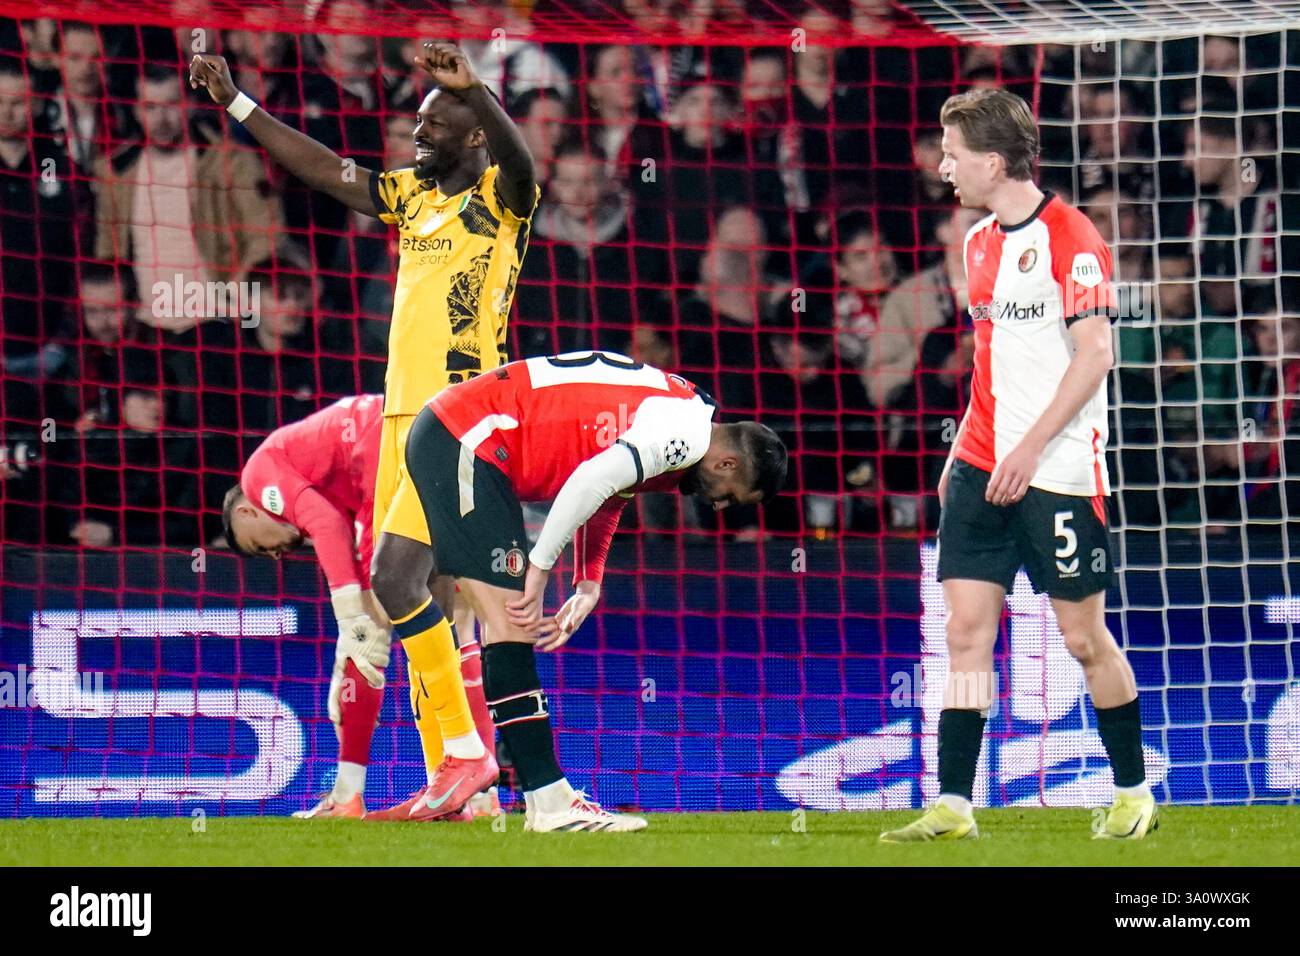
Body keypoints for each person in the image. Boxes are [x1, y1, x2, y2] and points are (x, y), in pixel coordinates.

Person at [190, 39, 538, 820]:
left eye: (432, 122)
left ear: (472, 132)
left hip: (465, 417)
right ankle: (457, 786)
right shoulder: (411, 199)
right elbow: (322, 168)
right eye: (414, 121)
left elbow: (524, 166)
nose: (415, 134)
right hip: (403, 420)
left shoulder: (499, 201)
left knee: (393, 583)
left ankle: (466, 758)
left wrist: (477, 90)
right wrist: (237, 104)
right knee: (418, 598)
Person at [880, 88, 1155, 844]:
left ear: (993, 162)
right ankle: (953, 803)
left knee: (1081, 639)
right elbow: (992, 362)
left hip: (1057, 470)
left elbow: (1095, 354)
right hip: (979, 466)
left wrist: (1028, 449)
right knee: (965, 633)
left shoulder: (1073, 236)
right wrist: (962, 447)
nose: (943, 168)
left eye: (953, 155)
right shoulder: (975, 244)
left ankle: (1133, 793)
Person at [393, 351, 786, 831]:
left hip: (461, 434)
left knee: (498, 622)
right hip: (467, 439)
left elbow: (612, 489)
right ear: (727, 461)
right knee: (509, 622)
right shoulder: (685, 436)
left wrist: (587, 579)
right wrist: (539, 570)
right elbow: (589, 480)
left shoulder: (685, 412)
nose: (719, 506)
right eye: (730, 494)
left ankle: (521, 789)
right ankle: (543, 800)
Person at [222, 394, 497, 819]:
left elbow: (325, 523)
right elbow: (334, 523)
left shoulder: (258, 476)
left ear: (247, 511)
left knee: (375, 629)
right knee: (449, 625)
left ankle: (349, 797)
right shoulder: (319, 477)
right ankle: (475, 797)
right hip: (431, 440)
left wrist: (351, 618)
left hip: (383, 452)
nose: (275, 555)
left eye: (260, 546)